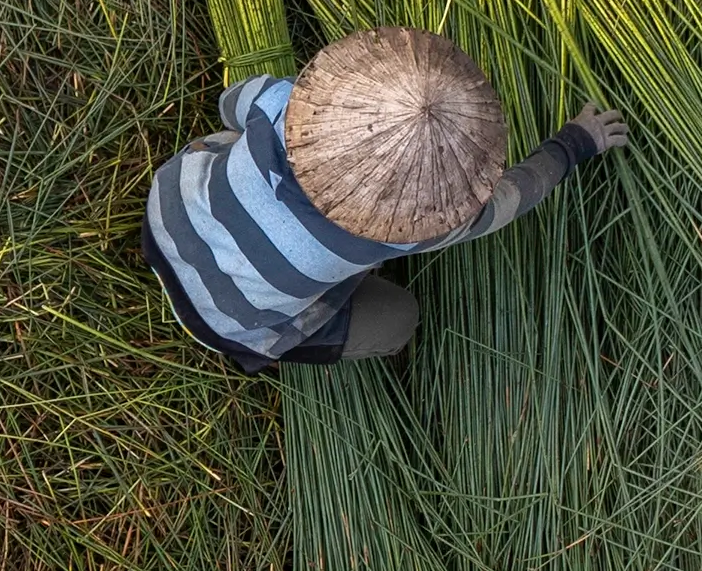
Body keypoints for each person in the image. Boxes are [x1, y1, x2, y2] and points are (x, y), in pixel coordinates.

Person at [142, 27, 628, 373]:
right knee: (400, 320)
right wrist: (574, 144)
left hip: (166, 213)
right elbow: (509, 200)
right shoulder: (410, 236)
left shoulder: (279, 104)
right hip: (227, 324)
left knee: (234, 143)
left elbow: (230, 104)